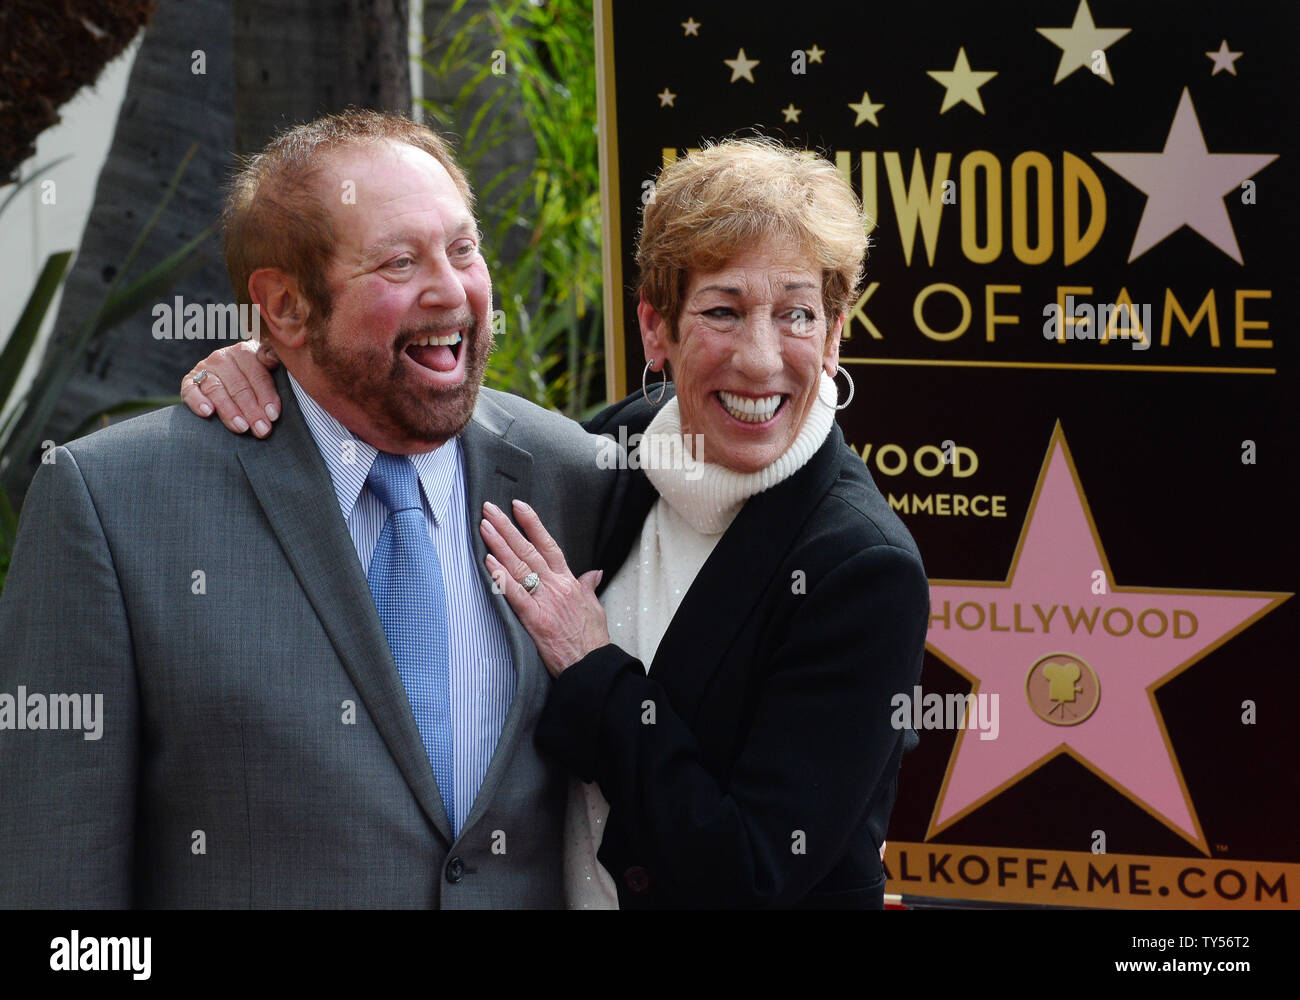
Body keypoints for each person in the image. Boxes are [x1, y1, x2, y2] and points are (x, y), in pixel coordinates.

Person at [185, 138, 930, 909]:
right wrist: (274, 355)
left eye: (797, 314)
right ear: (656, 328)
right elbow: (418, 397)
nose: (760, 359)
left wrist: (594, 669)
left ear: (836, 335)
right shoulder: (611, 455)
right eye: (722, 311)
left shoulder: (860, 568)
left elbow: (748, 874)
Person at [0, 110, 618, 908]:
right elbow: (55, 886)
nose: (452, 290)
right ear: (285, 309)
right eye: (399, 262)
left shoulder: (572, 471)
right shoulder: (117, 505)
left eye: (463, 249)